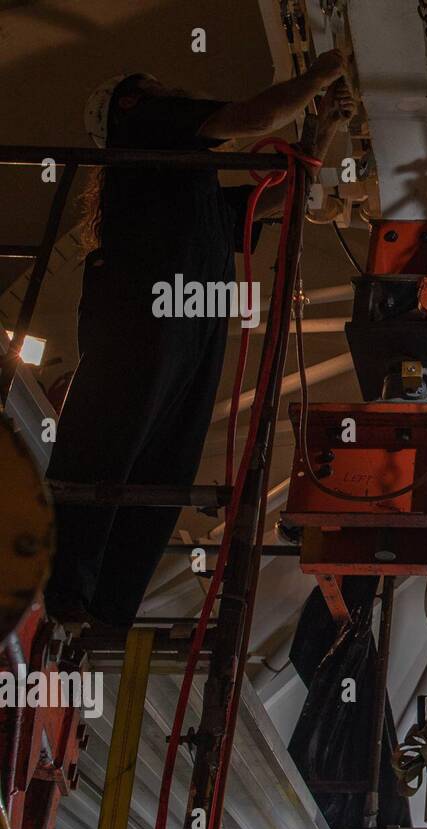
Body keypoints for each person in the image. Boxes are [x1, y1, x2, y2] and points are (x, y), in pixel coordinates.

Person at [44, 54, 355, 627]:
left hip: (190, 333)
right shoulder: (143, 121)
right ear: (128, 104)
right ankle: (67, 588)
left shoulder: (192, 187)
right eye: (153, 84)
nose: (167, 87)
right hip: (144, 319)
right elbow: (251, 119)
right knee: (109, 443)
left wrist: (320, 132)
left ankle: (106, 607)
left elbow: (274, 201)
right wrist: (320, 75)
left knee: (166, 465)